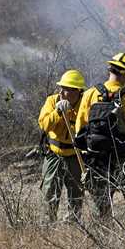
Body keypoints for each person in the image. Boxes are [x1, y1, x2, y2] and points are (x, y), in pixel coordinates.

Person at [74, 51, 125, 219]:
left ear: (110, 69)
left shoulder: (90, 93)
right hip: (124, 156)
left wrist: (85, 153)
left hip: (97, 158)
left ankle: (103, 236)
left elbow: (80, 127)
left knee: (102, 205)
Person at [38, 69, 86, 222]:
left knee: (76, 194)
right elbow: (44, 125)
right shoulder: (52, 101)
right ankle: (48, 225)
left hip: (75, 156)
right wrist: (58, 112)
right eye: (62, 88)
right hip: (54, 155)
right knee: (49, 192)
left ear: (78, 91)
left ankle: (73, 225)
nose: (64, 93)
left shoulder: (84, 105)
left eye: (69, 90)